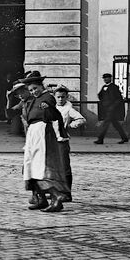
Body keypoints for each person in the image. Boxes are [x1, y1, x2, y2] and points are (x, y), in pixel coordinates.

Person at [20, 72, 71, 213]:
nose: (33, 91)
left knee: (42, 166)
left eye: (35, 88)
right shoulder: (32, 100)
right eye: (31, 90)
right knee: (31, 166)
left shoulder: (47, 97)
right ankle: (40, 198)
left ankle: (57, 197)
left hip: (43, 132)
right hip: (33, 133)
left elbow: (51, 109)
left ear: (41, 86)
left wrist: (47, 107)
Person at [53, 85, 86, 192]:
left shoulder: (68, 109)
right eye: (58, 97)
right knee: (53, 167)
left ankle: (67, 192)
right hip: (51, 140)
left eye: (63, 97)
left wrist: (71, 125)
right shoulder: (51, 107)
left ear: (66, 97)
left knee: (64, 166)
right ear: (54, 97)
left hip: (62, 141)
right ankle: (55, 190)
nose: (60, 99)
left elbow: (81, 119)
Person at [95, 72, 128, 144]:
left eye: (107, 78)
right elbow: (100, 95)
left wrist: (113, 106)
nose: (106, 79)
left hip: (112, 109)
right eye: (104, 78)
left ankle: (100, 139)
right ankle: (124, 137)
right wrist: (103, 102)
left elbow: (119, 98)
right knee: (116, 125)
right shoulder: (104, 87)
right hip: (106, 109)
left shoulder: (114, 87)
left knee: (105, 124)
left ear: (110, 78)